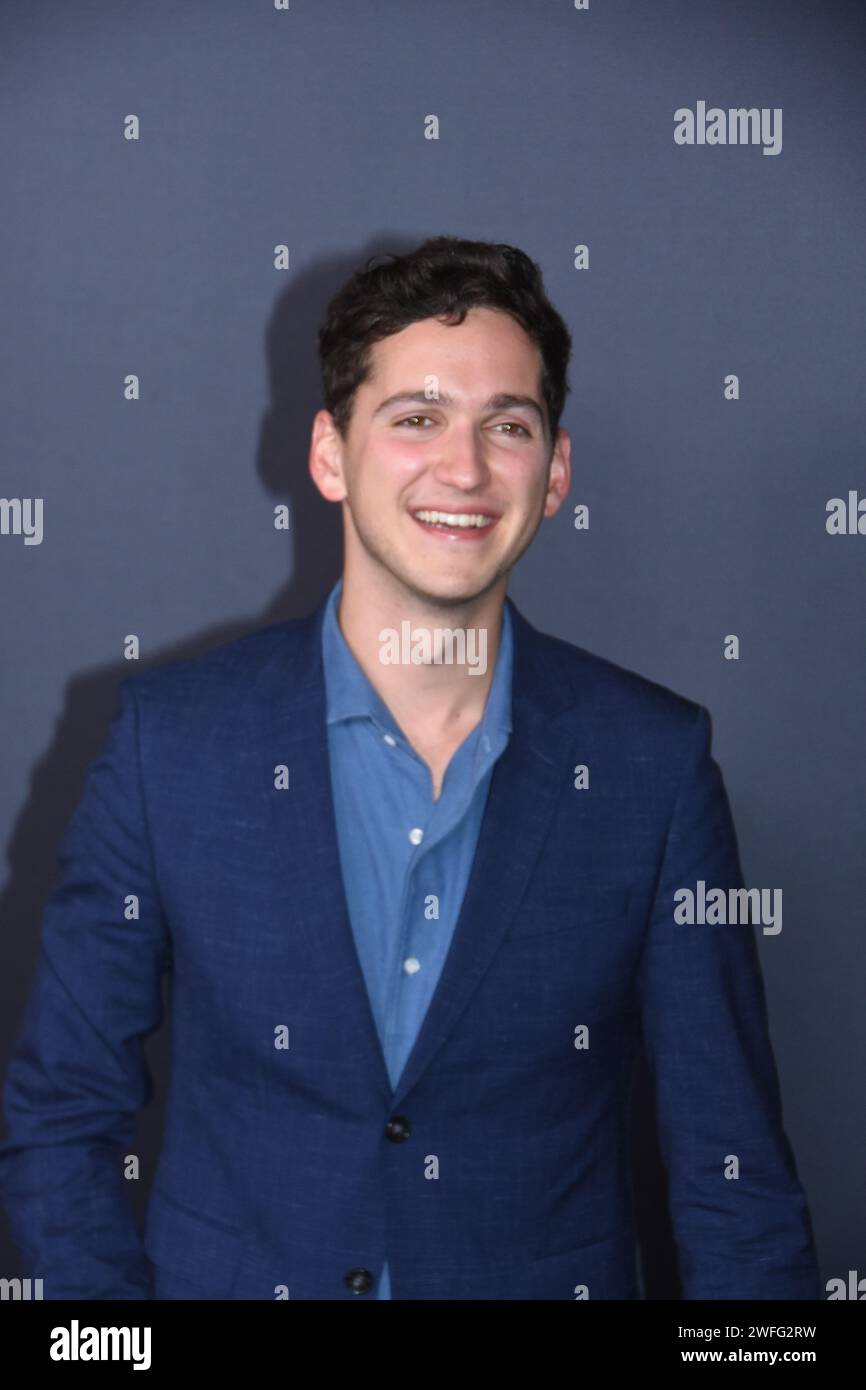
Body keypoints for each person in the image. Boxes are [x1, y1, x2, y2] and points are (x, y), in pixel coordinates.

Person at [0, 236, 819, 1299]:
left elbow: (732, 1174)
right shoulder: (171, 741)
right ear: (330, 453)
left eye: (507, 426)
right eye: (416, 418)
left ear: (555, 470)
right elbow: (62, 1113)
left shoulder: (649, 764)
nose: (465, 468)